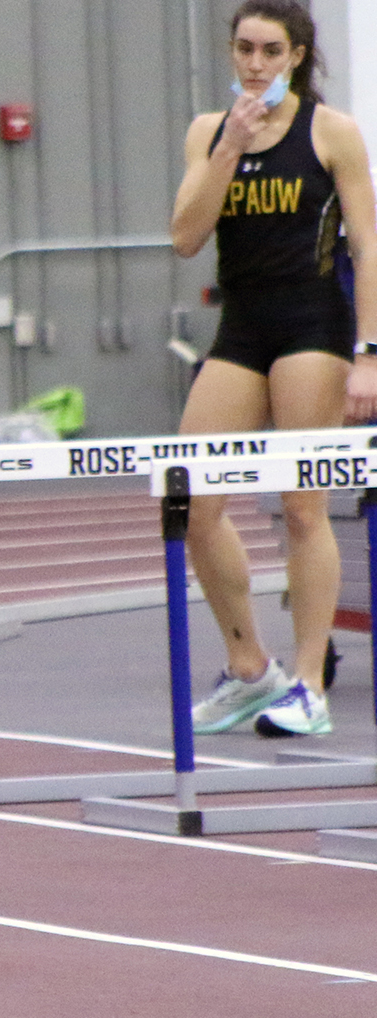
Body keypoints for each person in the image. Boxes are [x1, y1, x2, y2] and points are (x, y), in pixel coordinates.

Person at [169, 0, 377, 738]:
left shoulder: (332, 132)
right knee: (191, 498)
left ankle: (311, 684)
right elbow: (186, 237)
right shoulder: (208, 131)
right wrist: (230, 147)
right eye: (244, 49)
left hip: (311, 327)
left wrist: (369, 353)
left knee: (301, 507)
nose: (255, 65)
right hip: (242, 325)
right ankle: (252, 669)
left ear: (296, 55)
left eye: (270, 51)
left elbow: (368, 246)